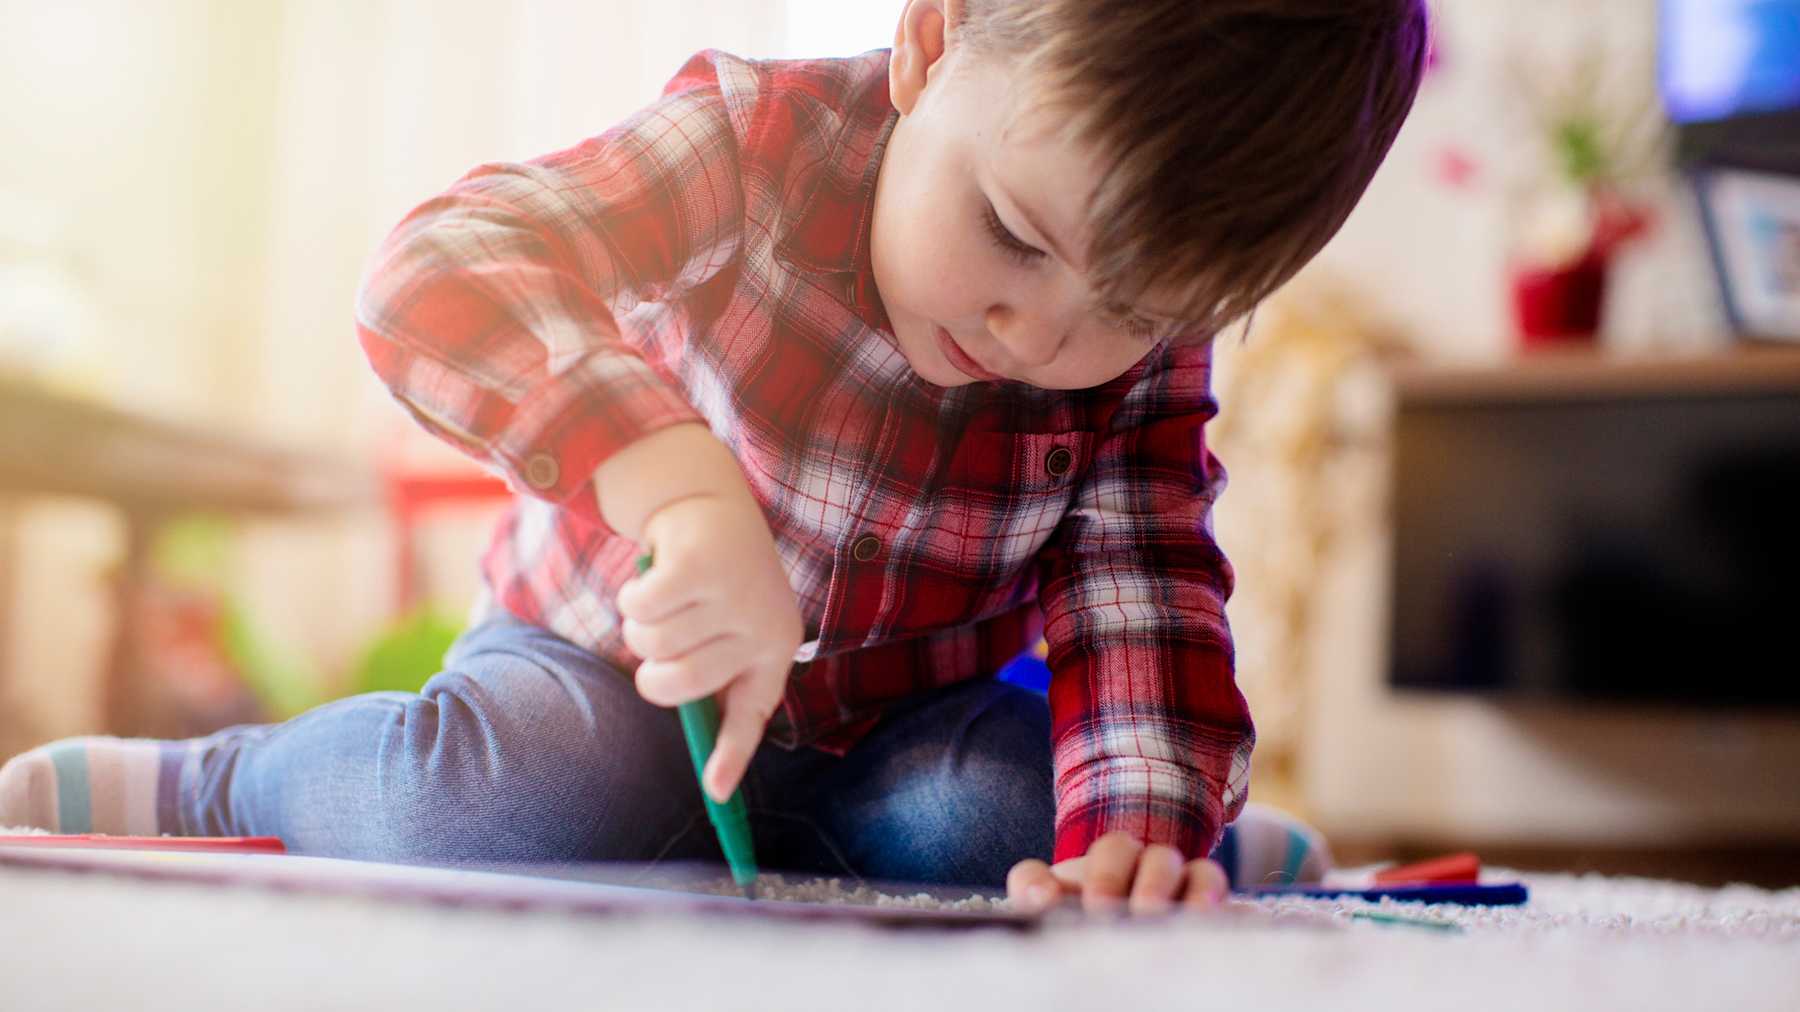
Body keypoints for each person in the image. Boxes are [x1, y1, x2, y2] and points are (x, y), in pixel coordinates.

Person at [1, 0, 1427, 915]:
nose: (1033, 331)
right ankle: (215, 785)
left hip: (886, 739)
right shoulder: (755, 140)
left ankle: (1192, 853)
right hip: (596, 676)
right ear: (930, 44)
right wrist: (673, 478)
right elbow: (434, 276)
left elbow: (1144, 588)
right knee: (507, 798)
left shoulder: (1123, 357)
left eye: (1130, 314)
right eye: (1010, 233)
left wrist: (1134, 828)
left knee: (1006, 825)